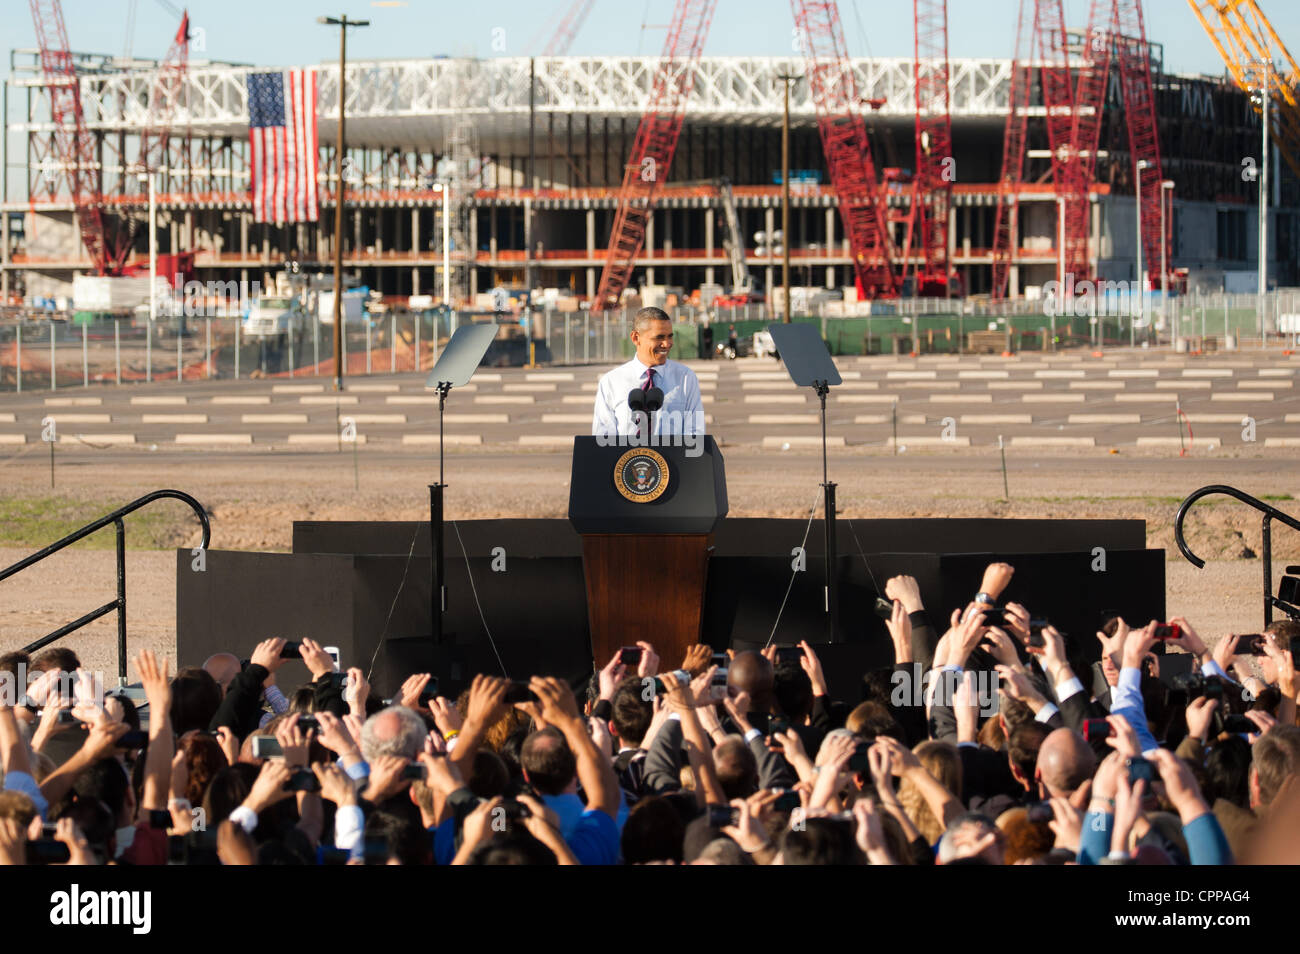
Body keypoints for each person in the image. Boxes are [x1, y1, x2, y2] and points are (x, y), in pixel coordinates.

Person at [592, 306, 703, 440]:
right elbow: (603, 438)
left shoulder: (685, 378)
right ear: (635, 338)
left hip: (673, 460)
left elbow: (695, 432)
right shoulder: (610, 382)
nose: (667, 344)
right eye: (659, 337)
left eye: (669, 337)